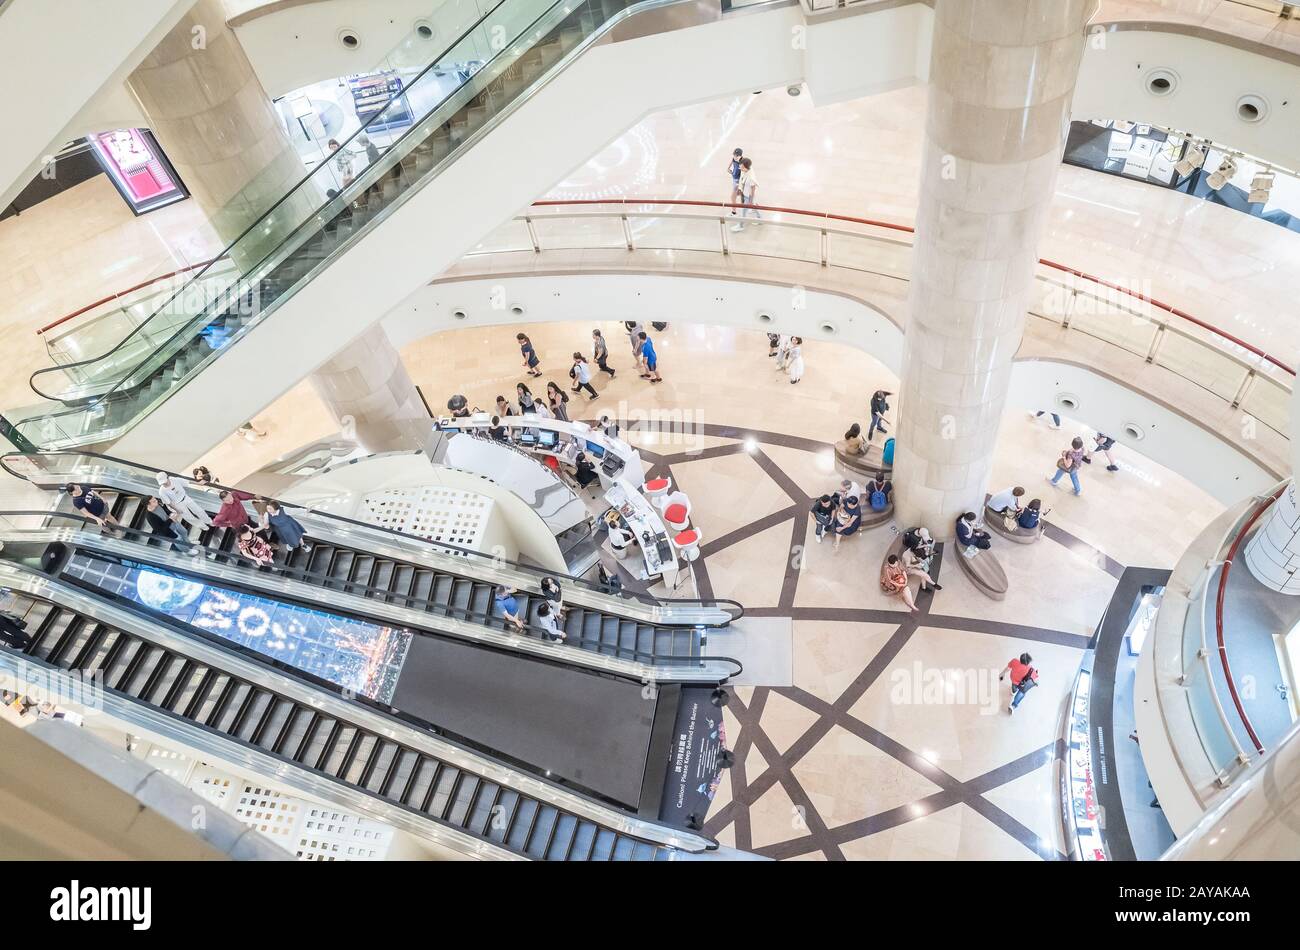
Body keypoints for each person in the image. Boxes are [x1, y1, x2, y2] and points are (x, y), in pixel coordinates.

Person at [730, 157, 759, 231]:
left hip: (749, 196)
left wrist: (750, 201)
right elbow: (741, 179)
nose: (740, 168)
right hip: (745, 194)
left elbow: (753, 189)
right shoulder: (745, 170)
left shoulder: (751, 177)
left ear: (746, 167)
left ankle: (741, 226)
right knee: (754, 207)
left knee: (743, 211)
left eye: (742, 167)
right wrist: (740, 189)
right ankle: (759, 218)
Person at [726, 147, 744, 212]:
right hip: (734, 180)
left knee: (733, 197)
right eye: (734, 155)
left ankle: (734, 212)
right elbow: (728, 167)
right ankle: (754, 207)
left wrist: (739, 184)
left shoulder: (742, 162)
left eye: (737, 156)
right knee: (743, 198)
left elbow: (744, 174)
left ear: (740, 156)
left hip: (738, 182)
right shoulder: (733, 159)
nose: (735, 157)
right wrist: (729, 170)